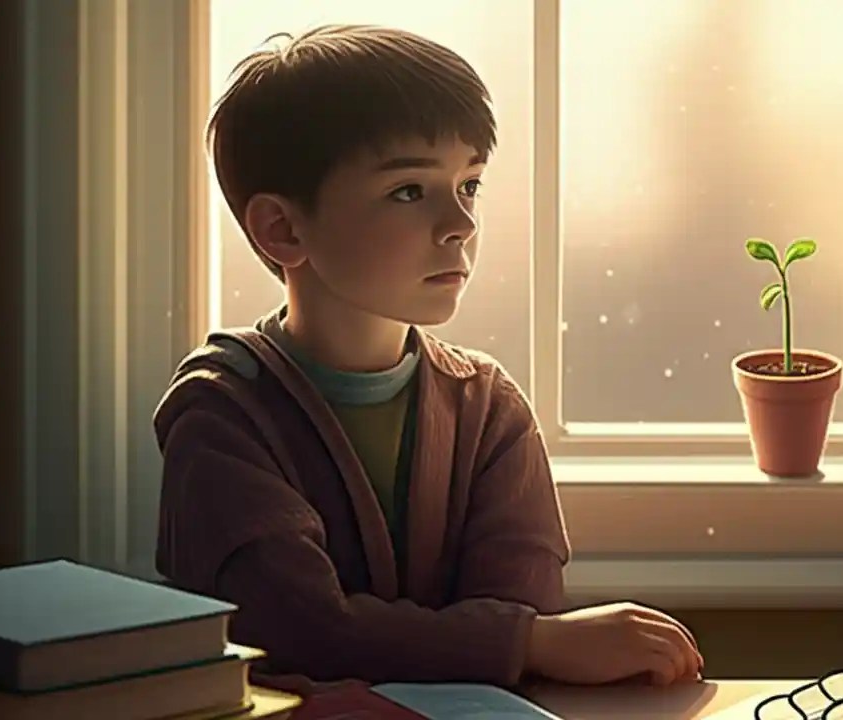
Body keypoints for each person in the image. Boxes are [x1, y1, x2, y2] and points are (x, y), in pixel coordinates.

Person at [153, 24, 704, 691]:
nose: (462, 224)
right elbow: (293, 630)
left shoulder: (488, 405)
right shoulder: (220, 409)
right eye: (409, 191)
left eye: (469, 185)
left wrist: (519, 638)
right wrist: (523, 641)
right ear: (282, 227)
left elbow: (520, 606)